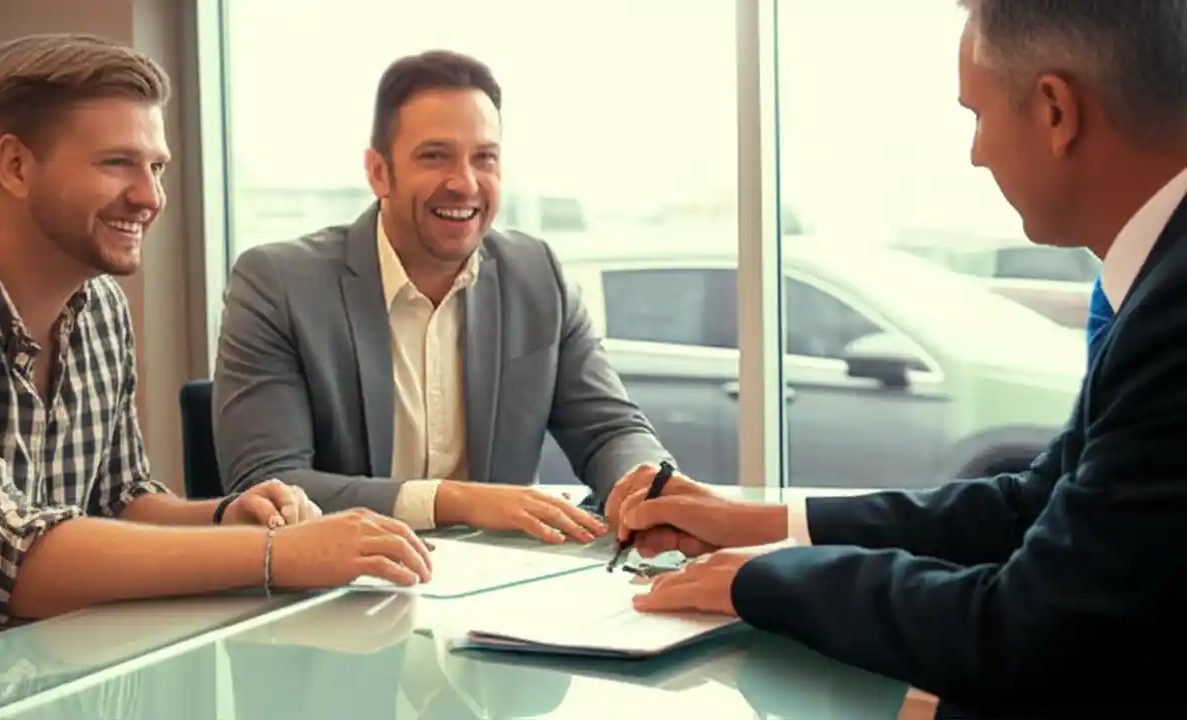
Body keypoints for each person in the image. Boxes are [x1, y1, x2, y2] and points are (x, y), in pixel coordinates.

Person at [608, 1, 1187, 716]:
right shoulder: (1162, 282)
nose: (976, 152)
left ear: (1055, 111)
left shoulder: (1173, 311)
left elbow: (1033, 630)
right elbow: (1026, 509)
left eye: (976, 115)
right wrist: (758, 526)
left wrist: (768, 580)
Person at [0, 34, 431, 657]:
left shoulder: (100, 306)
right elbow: (1, 557)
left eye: (155, 167)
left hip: (58, 684)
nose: (151, 197)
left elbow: (121, 499)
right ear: (16, 166)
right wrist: (274, 553)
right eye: (116, 163)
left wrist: (223, 516)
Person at [213, 50, 672, 543]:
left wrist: (649, 485)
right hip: (339, 588)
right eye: (435, 156)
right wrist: (459, 499)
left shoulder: (538, 276)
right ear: (378, 172)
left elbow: (609, 430)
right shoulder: (278, 284)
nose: (464, 183)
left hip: (502, 588)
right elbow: (268, 485)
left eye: (484, 158)